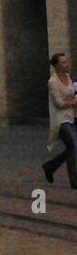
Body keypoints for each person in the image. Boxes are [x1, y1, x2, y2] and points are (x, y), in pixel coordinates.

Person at [42, 52, 77, 188]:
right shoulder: (53, 82)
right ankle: (74, 181)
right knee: (73, 146)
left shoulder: (68, 77)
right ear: (56, 65)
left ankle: (50, 166)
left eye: (66, 61)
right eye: (63, 62)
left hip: (70, 117)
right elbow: (59, 103)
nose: (66, 64)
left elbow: (70, 95)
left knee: (71, 148)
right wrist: (74, 102)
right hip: (60, 120)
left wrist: (72, 101)